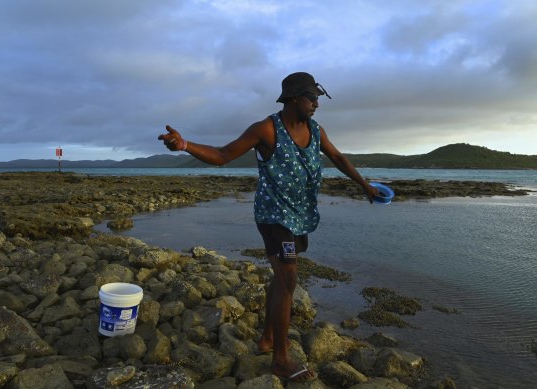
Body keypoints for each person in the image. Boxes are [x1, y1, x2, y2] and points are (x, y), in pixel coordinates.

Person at [158, 72, 379, 383]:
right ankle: (280, 359)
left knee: (281, 279)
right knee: (289, 280)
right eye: (311, 98)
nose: (316, 103)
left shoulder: (315, 130)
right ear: (292, 99)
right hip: (273, 216)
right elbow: (223, 155)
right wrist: (184, 145)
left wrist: (364, 185)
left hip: (300, 216)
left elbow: (338, 157)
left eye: (317, 98)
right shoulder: (266, 129)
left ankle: (265, 339)